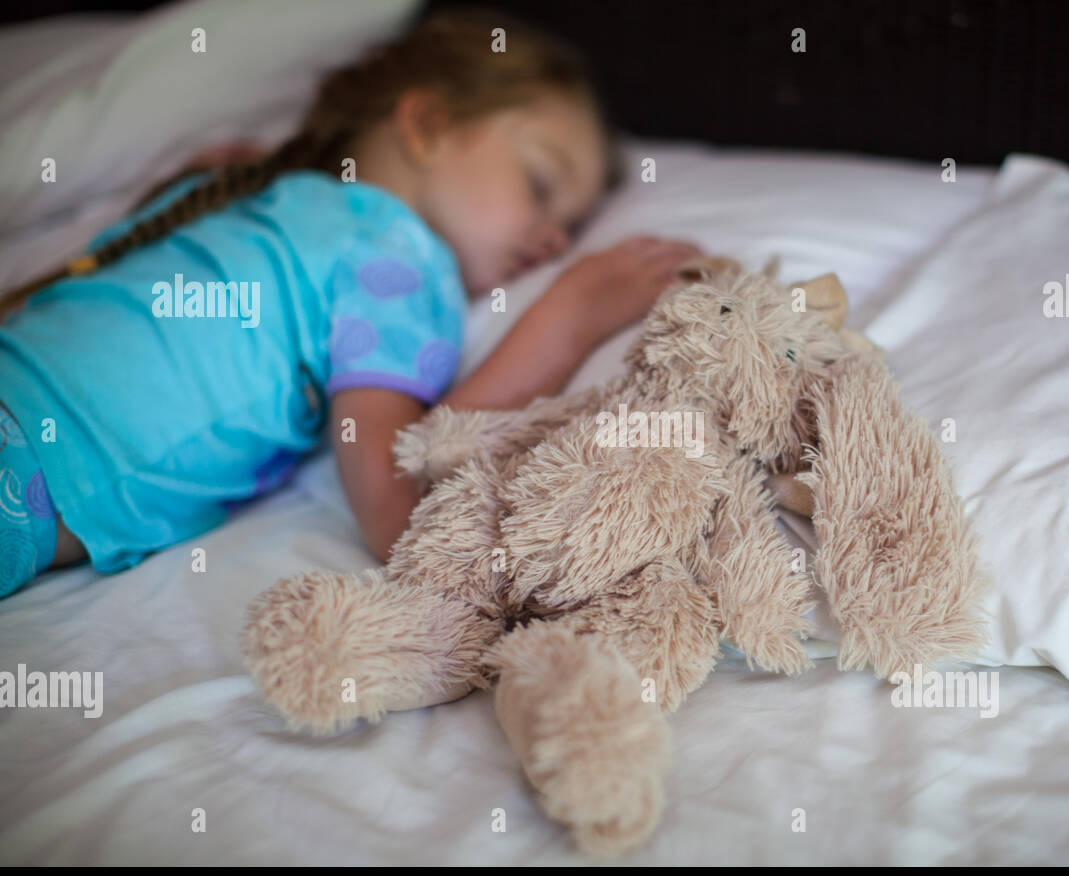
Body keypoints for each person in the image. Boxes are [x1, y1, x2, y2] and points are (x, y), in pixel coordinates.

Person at [0, 6, 702, 598]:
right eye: (541, 184)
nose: (553, 241)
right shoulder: (397, 255)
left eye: (571, 233)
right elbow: (400, 512)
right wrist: (565, 320)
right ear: (427, 122)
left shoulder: (264, 202)